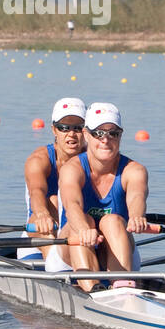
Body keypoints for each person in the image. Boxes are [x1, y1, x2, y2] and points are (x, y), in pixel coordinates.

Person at [57, 102, 149, 292]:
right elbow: (72, 204)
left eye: (112, 133)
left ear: (120, 136)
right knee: (85, 221)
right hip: (70, 251)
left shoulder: (134, 171)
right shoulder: (71, 169)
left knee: (113, 220)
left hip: (116, 248)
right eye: (98, 133)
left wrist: (137, 216)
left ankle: (122, 288)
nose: (105, 140)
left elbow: (137, 197)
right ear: (86, 135)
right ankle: (93, 290)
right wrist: (83, 229)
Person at [18, 97, 87, 262]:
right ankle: (55, 268)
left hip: (81, 232)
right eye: (64, 128)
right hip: (42, 233)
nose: (71, 134)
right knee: (55, 201)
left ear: (87, 131)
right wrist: (42, 214)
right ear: (54, 130)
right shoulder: (39, 160)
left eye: (78, 128)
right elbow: (36, 192)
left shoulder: (96, 159)